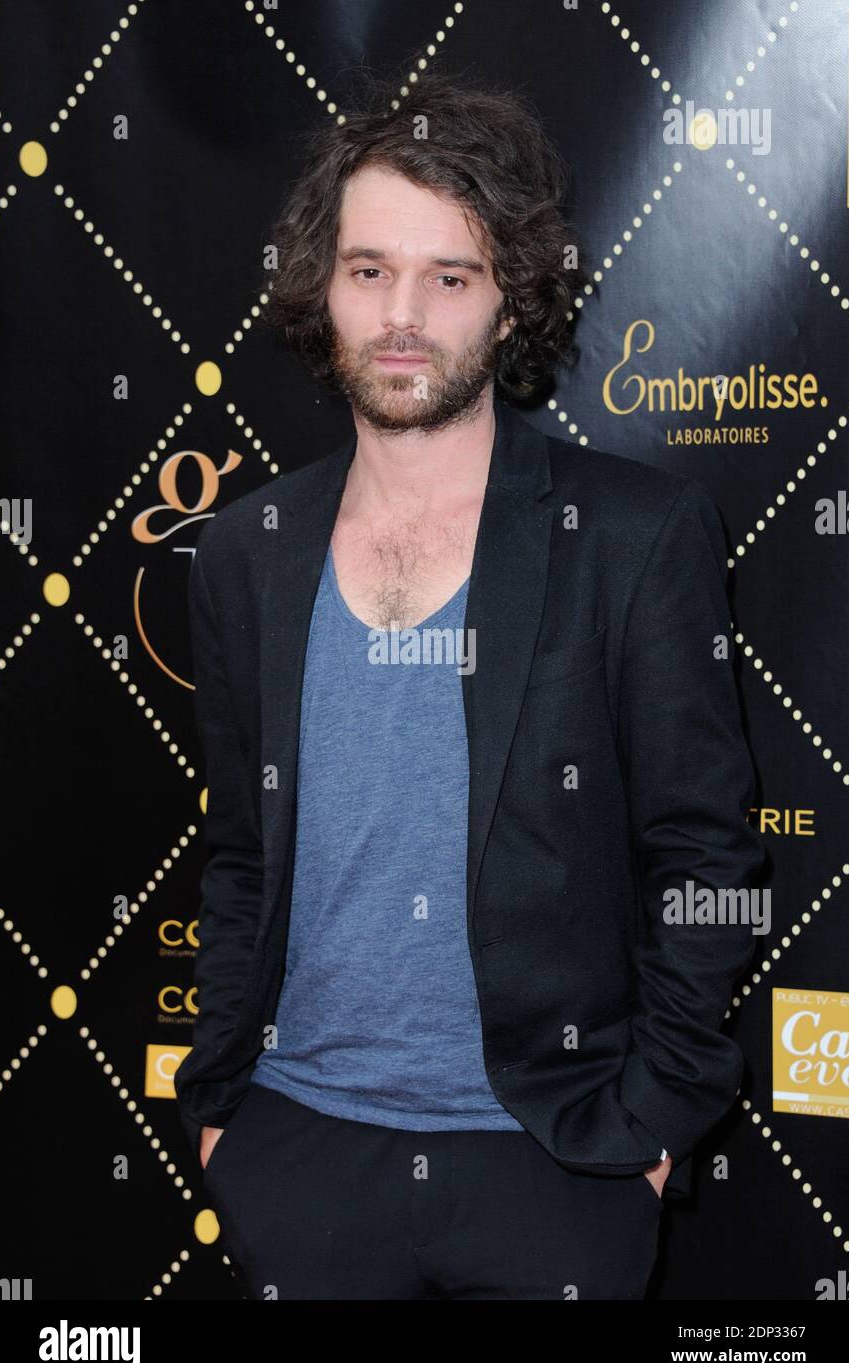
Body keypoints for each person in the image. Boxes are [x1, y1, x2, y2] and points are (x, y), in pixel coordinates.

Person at [174, 73, 766, 1300]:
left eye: (451, 277)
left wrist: (648, 1129)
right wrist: (222, 1113)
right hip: (295, 1147)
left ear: (510, 305)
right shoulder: (246, 550)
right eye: (370, 269)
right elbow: (238, 855)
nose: (404, 315)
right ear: (322, 289)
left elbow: (706, 857)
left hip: (553, 1156)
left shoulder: (634, 537)